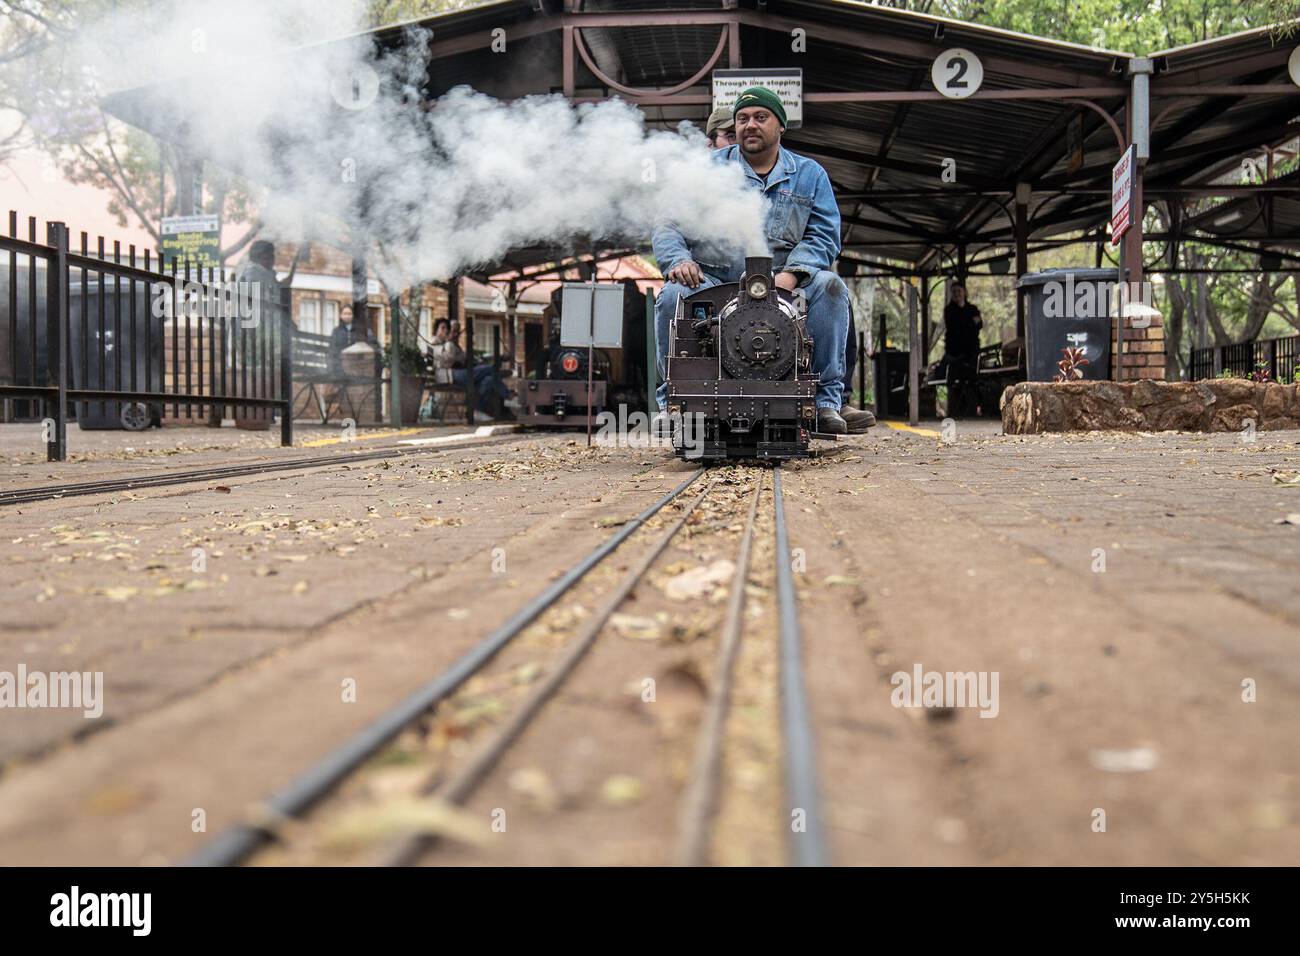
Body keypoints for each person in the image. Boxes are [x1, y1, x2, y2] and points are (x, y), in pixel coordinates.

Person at [652, 87, 872, 434]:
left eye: (760, 117)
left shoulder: (809, 175)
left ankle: (827, 403)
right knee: (670, 295)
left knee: (830, 286)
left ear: (780, 126)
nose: (749, 125)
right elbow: (668, 222)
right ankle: (673, 404)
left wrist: (793, 274)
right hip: (716, 280)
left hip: (785, 282)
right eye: (742, 119)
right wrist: (678, 259)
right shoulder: (706, 170)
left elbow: (824, 235)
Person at [428, 318, 512, 420]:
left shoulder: (450, 345)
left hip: (458, 374)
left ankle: (476, 410)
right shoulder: (434, 342)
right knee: (490, 369)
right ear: (436, 330)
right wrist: (449, 342)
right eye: (442, 328)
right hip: (448, 376)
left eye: (447, 328)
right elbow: (448, 359)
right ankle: (507, 397)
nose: (445, 331)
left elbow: (462, 360)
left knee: (488, 380)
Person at [941, 283, 983, 415]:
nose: (957, 294)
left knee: (973, 380)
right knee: (955, 381)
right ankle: (955, 410)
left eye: (959, 291)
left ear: (964, 292)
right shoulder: (949, 310)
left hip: (971, 351)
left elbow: (979, 324)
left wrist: (967, 324)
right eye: (954, 292)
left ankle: (973, 409)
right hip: (955, 352)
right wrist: (969, 323)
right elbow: (954, 327)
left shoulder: (972, 309)